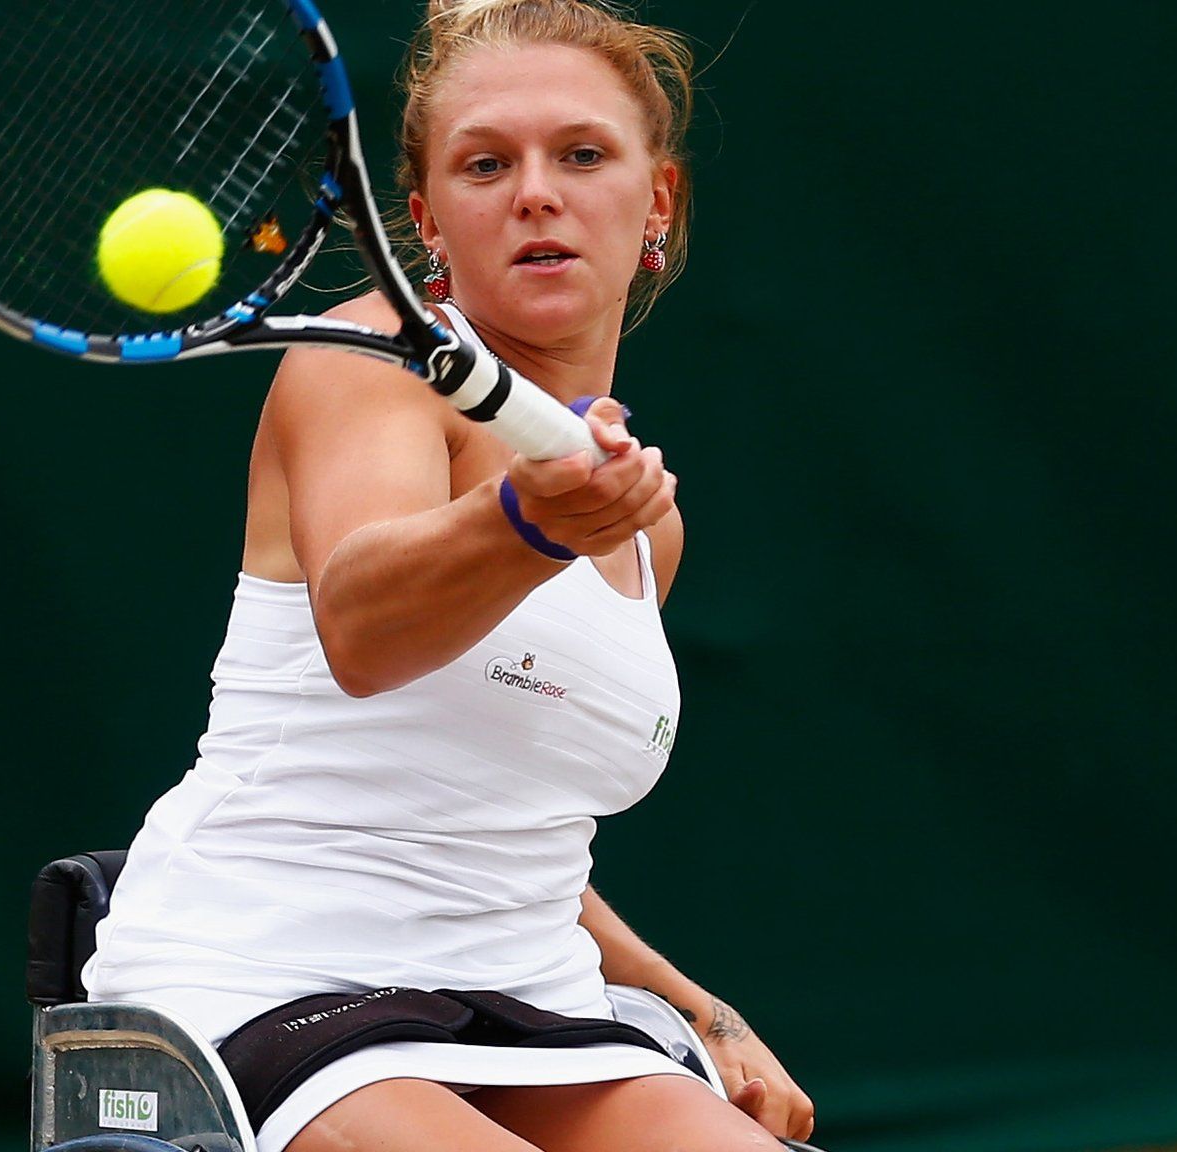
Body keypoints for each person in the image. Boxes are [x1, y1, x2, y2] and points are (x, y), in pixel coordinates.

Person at [82, 2, 815, 1149]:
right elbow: (364, 628)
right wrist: (524, 520)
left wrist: (693, 1007)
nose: (535, 192)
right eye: (486, 164)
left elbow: (498, 821)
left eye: (580, 154)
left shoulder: (637, 532)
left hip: (526, 999)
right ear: (426, 219)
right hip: (265, 981)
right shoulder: (364, 365)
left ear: (655, 199)